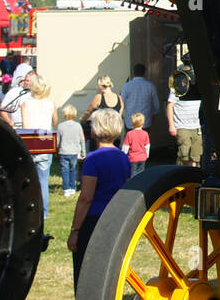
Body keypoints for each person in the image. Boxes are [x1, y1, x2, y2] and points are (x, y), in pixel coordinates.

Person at [69, 108, 130, 288]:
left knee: (85, 269)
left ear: (96, 130)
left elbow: (86, 198)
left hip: (94, 218)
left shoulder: (93, 159)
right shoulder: (123, 158)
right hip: (115, 217)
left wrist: (75, 230)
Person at [21, 73, 58, 216]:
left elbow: (25, 126)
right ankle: (44, 212)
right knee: (43, 180)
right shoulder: (50, 104)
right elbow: (54, 122)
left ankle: (29, 209)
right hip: (45, 142)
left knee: (29, 178)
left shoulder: (25, 103)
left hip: (30, 142)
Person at [168, 63, 203, 168]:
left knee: (196, 155)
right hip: (182, 126)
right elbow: (170, 106)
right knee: (184, 154)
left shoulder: (198, 88)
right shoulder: (177, 88)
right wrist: (171, 125)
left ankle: (193, 177)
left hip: (197, 126)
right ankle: (182, 175)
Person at [82, 76, 124, 144]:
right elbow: (120, 115)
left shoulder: (98, 97)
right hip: (114, 134)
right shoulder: (119, 98)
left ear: (100, 86)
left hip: (101, 133)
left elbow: (89, 111)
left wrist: (82, 120)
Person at [119, 63, 160, 133]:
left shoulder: (127, 86)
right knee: (144, 143)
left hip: (130, 122)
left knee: (130, 142)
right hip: (145, 122)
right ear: (145, 73)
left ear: (133, 72)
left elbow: (122, 103)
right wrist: (154, 115)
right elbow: (156, 105)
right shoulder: (150, 86)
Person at [57, 104, 84, 198]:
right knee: (73, 170)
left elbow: (58, 141)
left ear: (64, 114)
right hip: (74, 152)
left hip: (64, 151)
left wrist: (57, 150)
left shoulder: (60, 126)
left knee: (65, 171)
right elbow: (82, 140)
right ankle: (73, 187)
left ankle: (66, 189)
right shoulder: (78, 126)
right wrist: (83, 152)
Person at [0, 63, 34, 129]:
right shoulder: (14, 92)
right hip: (16, 128)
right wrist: (9, 122)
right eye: (26, 80)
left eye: (29, 81)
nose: (27, 83)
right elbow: (2, 109)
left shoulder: (37, 95)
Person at [123, 112, 150, 176]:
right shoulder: (145, 133)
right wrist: (147, 155)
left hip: (133, 158)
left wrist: (124, 156)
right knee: (141, 174)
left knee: (132, 174)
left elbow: (125, 147)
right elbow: (147, 146)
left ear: (132, 123)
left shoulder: (129, 134)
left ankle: (133, 185)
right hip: (142, 157)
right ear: (143, 123)